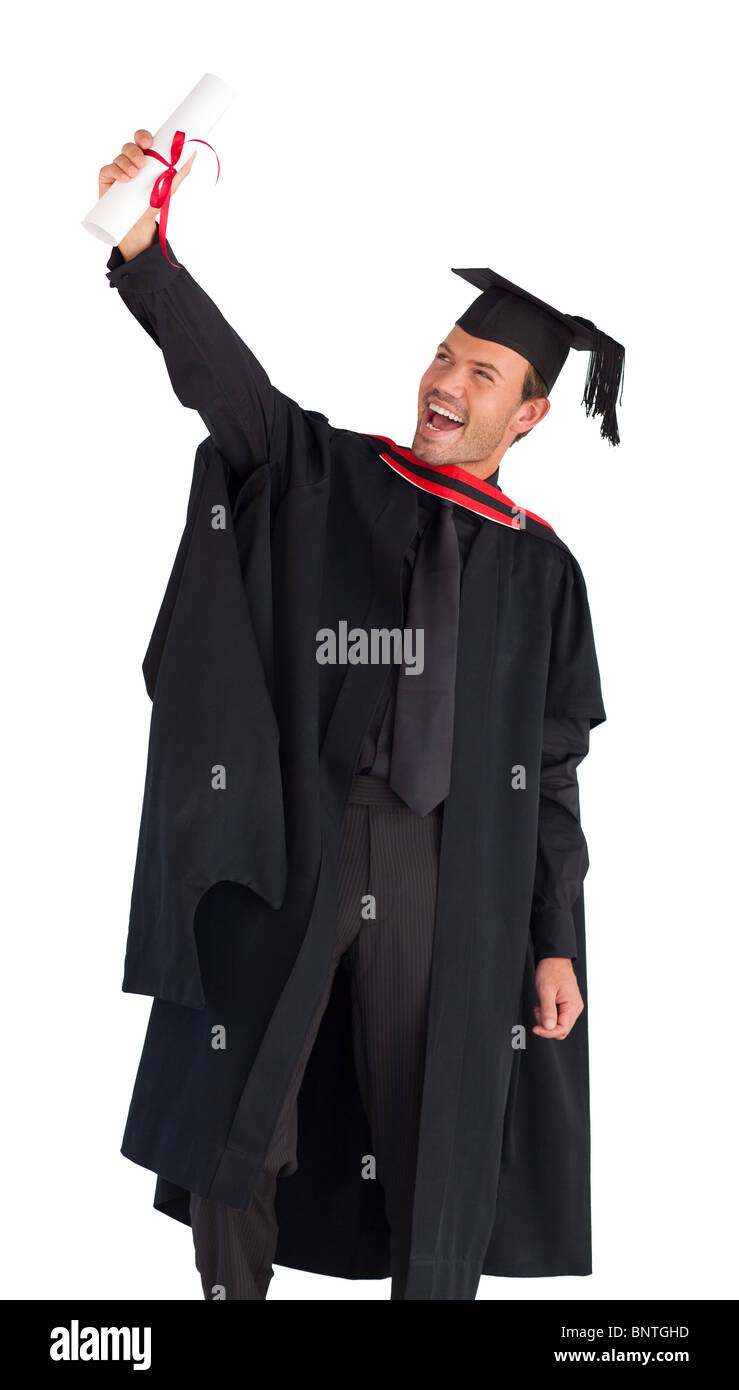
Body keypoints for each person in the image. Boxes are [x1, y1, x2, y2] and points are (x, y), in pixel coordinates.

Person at [99, 131, 621, 1301]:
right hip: (309, 838)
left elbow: (550, 769)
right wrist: (145, 252)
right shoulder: (334, 479)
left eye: (483, 373)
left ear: (527, 415)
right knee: (245, 1104)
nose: (446, 382)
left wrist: (555, 940)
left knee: (439, 1127)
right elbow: (231, 395)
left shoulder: (542, 575)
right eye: (446, 354)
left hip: (455, 868)